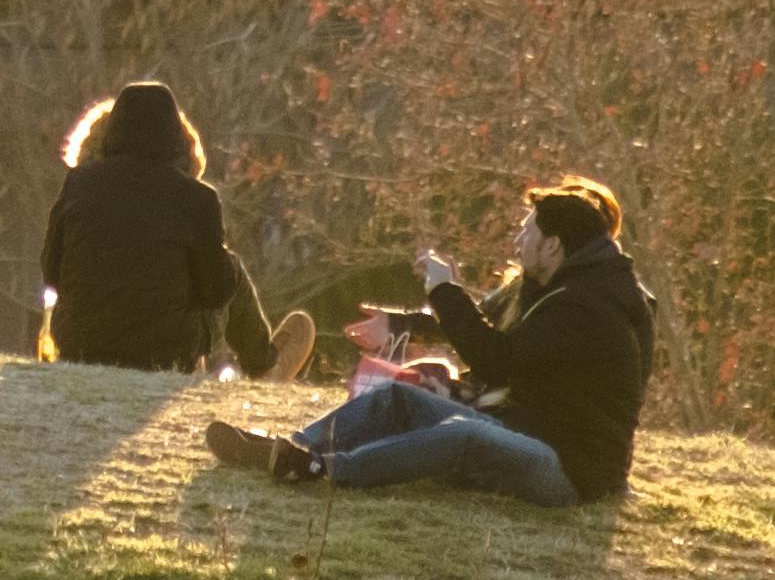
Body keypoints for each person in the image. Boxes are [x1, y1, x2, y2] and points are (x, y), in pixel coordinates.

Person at [208, 177, 652, 506]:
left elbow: (497, 358)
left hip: (571, 471)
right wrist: (406, 324)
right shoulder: (565, 283)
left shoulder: (590, 307)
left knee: (465, 436)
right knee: (397, 398)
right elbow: (489, 325)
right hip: (528, 431)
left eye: (527, 232)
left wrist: (444, 290)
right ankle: (293, 447)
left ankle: (322, 469)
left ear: (553, 246)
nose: (517, 241)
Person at [33, 81, 311, 382]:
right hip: (164, 354)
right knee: (231, 268)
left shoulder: (78, 185)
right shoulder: (197, 198)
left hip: (81, 348)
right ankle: (265, 366)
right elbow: (217, 292)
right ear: (177, 139)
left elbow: (51, 272)